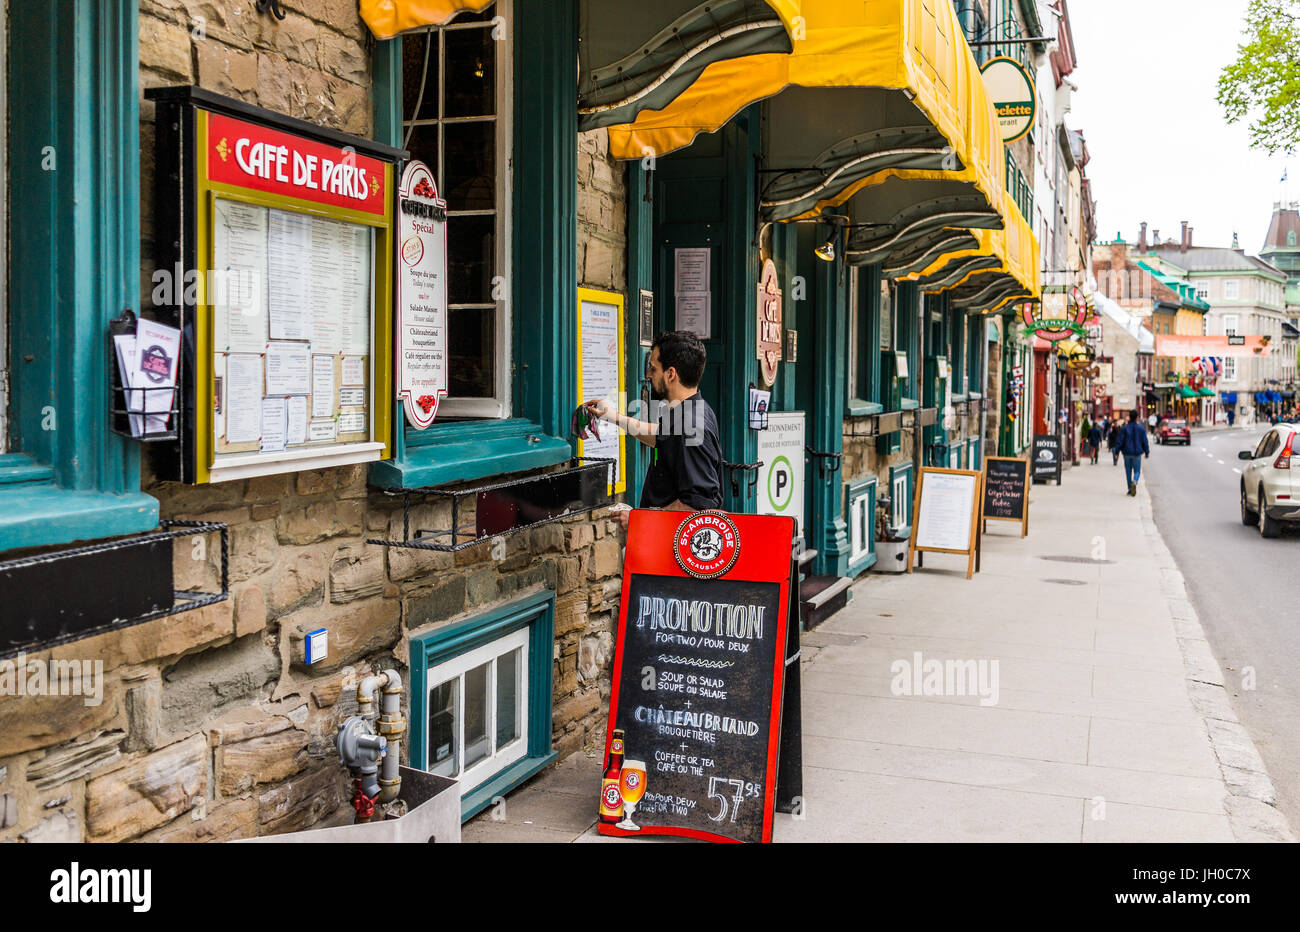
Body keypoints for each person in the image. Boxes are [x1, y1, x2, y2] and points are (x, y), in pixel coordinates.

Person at [587, 330, 722, 530]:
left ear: (670, 374)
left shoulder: (690, 425)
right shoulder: (693, 409)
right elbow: (660, 437)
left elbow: (698, 505)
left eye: (653, 368)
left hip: (673, 549)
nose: (648, 375)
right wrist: (614, 417)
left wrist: (641, 519)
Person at [1117, 408, 1150, 496]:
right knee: (1137, 471)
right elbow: (1145, 442)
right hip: (1136, 453)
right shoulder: (1141, 429)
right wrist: (1147, 452)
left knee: (1128, 471)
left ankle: (1129, 488)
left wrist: (1116, 452)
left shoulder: (1124, 428)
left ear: (1129, 417)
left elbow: (1120, 441)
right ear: (1137, 418)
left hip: (1127, 453)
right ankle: (1134, 481)